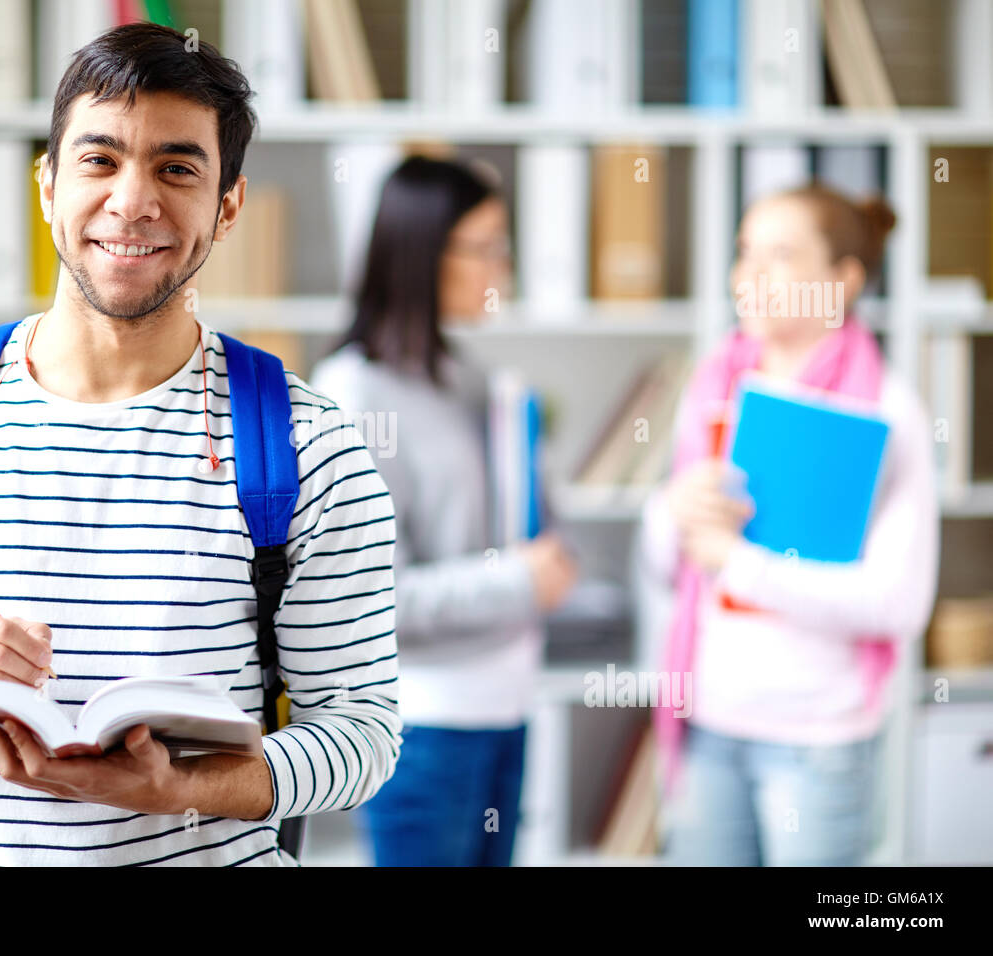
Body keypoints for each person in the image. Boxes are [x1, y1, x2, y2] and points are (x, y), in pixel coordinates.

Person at [0, 22, 400, 866]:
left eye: (177, 167)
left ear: (228, 204)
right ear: (48, 184)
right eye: (100, 160)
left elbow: (362, 736)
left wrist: (187, 789)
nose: (133, 202)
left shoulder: (312, 446)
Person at [640, 184, 939, 866]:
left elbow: (898, 604)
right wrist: (671, 512)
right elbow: (662, 562)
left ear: (843, 280)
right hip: (707, 721)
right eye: (745, 253)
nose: (749, 276)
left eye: (781, 255)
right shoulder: (714, 383)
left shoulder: (890, 413)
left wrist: (735, 562)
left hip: (817, 740)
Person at [311, 156, 578, 867]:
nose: (504, 268)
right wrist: (519, 581)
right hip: (424, 728)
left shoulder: (473, 377)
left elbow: (517, 528)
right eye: (486, 248)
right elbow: (364, 599)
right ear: (425, 254)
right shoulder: (354, 393)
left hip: (507, 707)